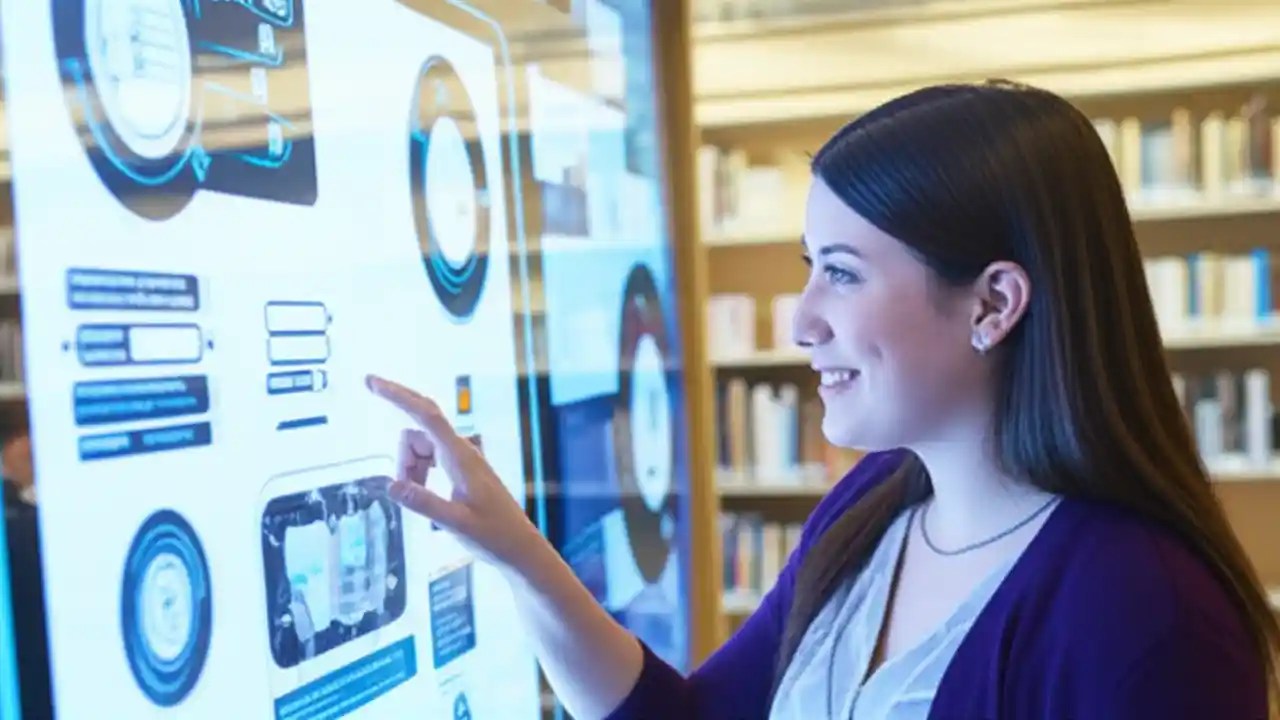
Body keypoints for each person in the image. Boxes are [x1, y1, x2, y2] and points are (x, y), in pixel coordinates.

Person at [365, 79, 1279, 720]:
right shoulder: (874, 504)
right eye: (811, 268)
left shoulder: (1147, 613)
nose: (800, 321)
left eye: (841, 274)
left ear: (993, 304)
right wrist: (516, 552)